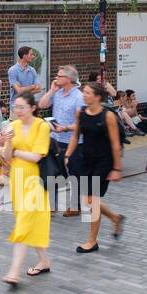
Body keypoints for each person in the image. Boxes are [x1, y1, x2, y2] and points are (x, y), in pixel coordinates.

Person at [0, 92, 51, 286]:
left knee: (23, 225)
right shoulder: (14, 126)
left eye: (22, 107)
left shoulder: (41, 127)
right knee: (26, 221)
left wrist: (16, 151)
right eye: (15, 107)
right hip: (17, 179)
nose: (17, 111)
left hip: (35, 181)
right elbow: (8, 157)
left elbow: (36, 156)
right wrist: (9, 141)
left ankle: (14, 272)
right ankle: (44, 261)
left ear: (33, 108)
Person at [66, 81, 125, 251]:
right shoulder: (81, 113)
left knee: (92, 200)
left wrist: (117, 168)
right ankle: (115, 218)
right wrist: (68, 154)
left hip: (104, 162)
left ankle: (92, 241)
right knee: (88, 200)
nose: (83, 95)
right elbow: (75, 137)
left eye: (87, 93)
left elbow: (115, 144)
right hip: (86, 159)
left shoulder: (108, 116)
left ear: (98, 97)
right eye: (83, 92)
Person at [38, 65, 83, 216]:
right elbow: (42, 105)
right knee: (51, 173)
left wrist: (65, 128)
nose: (56, 78)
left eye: (59, 76)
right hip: (55, 139)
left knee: (74, 174)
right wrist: (52, 90)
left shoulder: (79, 97)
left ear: (69, 79)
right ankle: (52, 205)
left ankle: (75, 206)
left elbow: (81, 123)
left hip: (73, 141)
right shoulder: (57, 93)